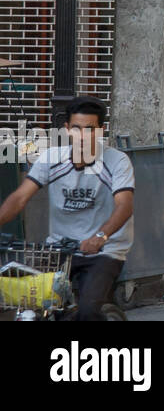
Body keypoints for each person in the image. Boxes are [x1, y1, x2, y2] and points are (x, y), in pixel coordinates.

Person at [0, 96, 134, 321]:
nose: (82, 136)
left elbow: (124, 206)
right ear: (66, 129)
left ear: (101, 130)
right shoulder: (52, 158)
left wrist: (100, 237)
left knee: (88, 311)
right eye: (76, 128)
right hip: (58, 251)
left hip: (103, 252)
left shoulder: (117, 161)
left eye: (90, 129)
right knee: (26, 303)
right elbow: (20, 198)